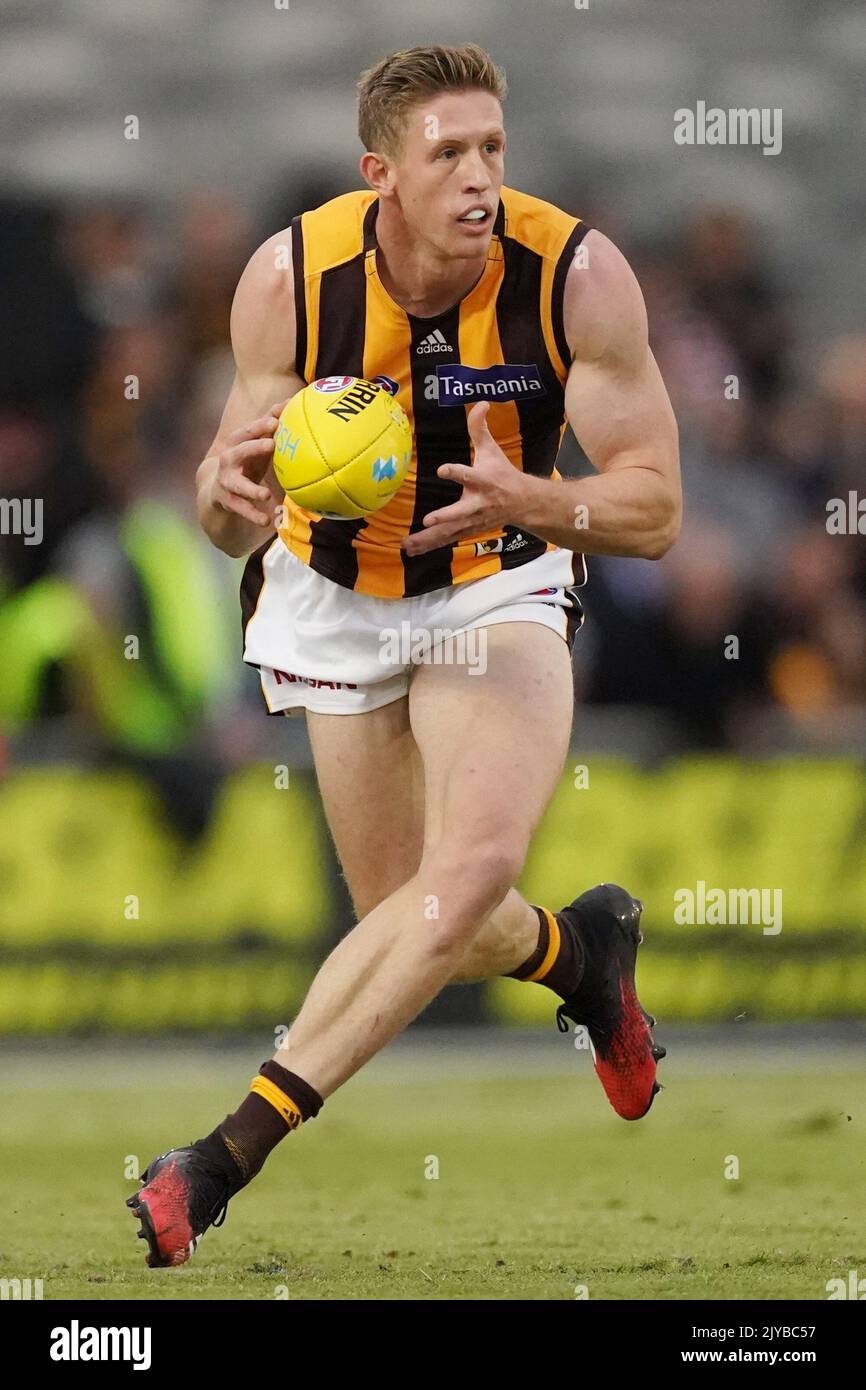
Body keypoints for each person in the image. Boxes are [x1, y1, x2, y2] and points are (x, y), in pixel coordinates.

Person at [127, 43, 680, 1268]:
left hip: (499, 581)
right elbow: (228, 515)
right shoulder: (292, 277)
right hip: (336, 588)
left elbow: (652, 510)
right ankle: (581, 954)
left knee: (467, 865)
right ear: (381, 172)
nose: (479, 176)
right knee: (411, 917)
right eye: (448, 154)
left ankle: (220, 1157)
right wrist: (218, 494)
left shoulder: (573, 274)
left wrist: (533, 499)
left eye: (492, 148)